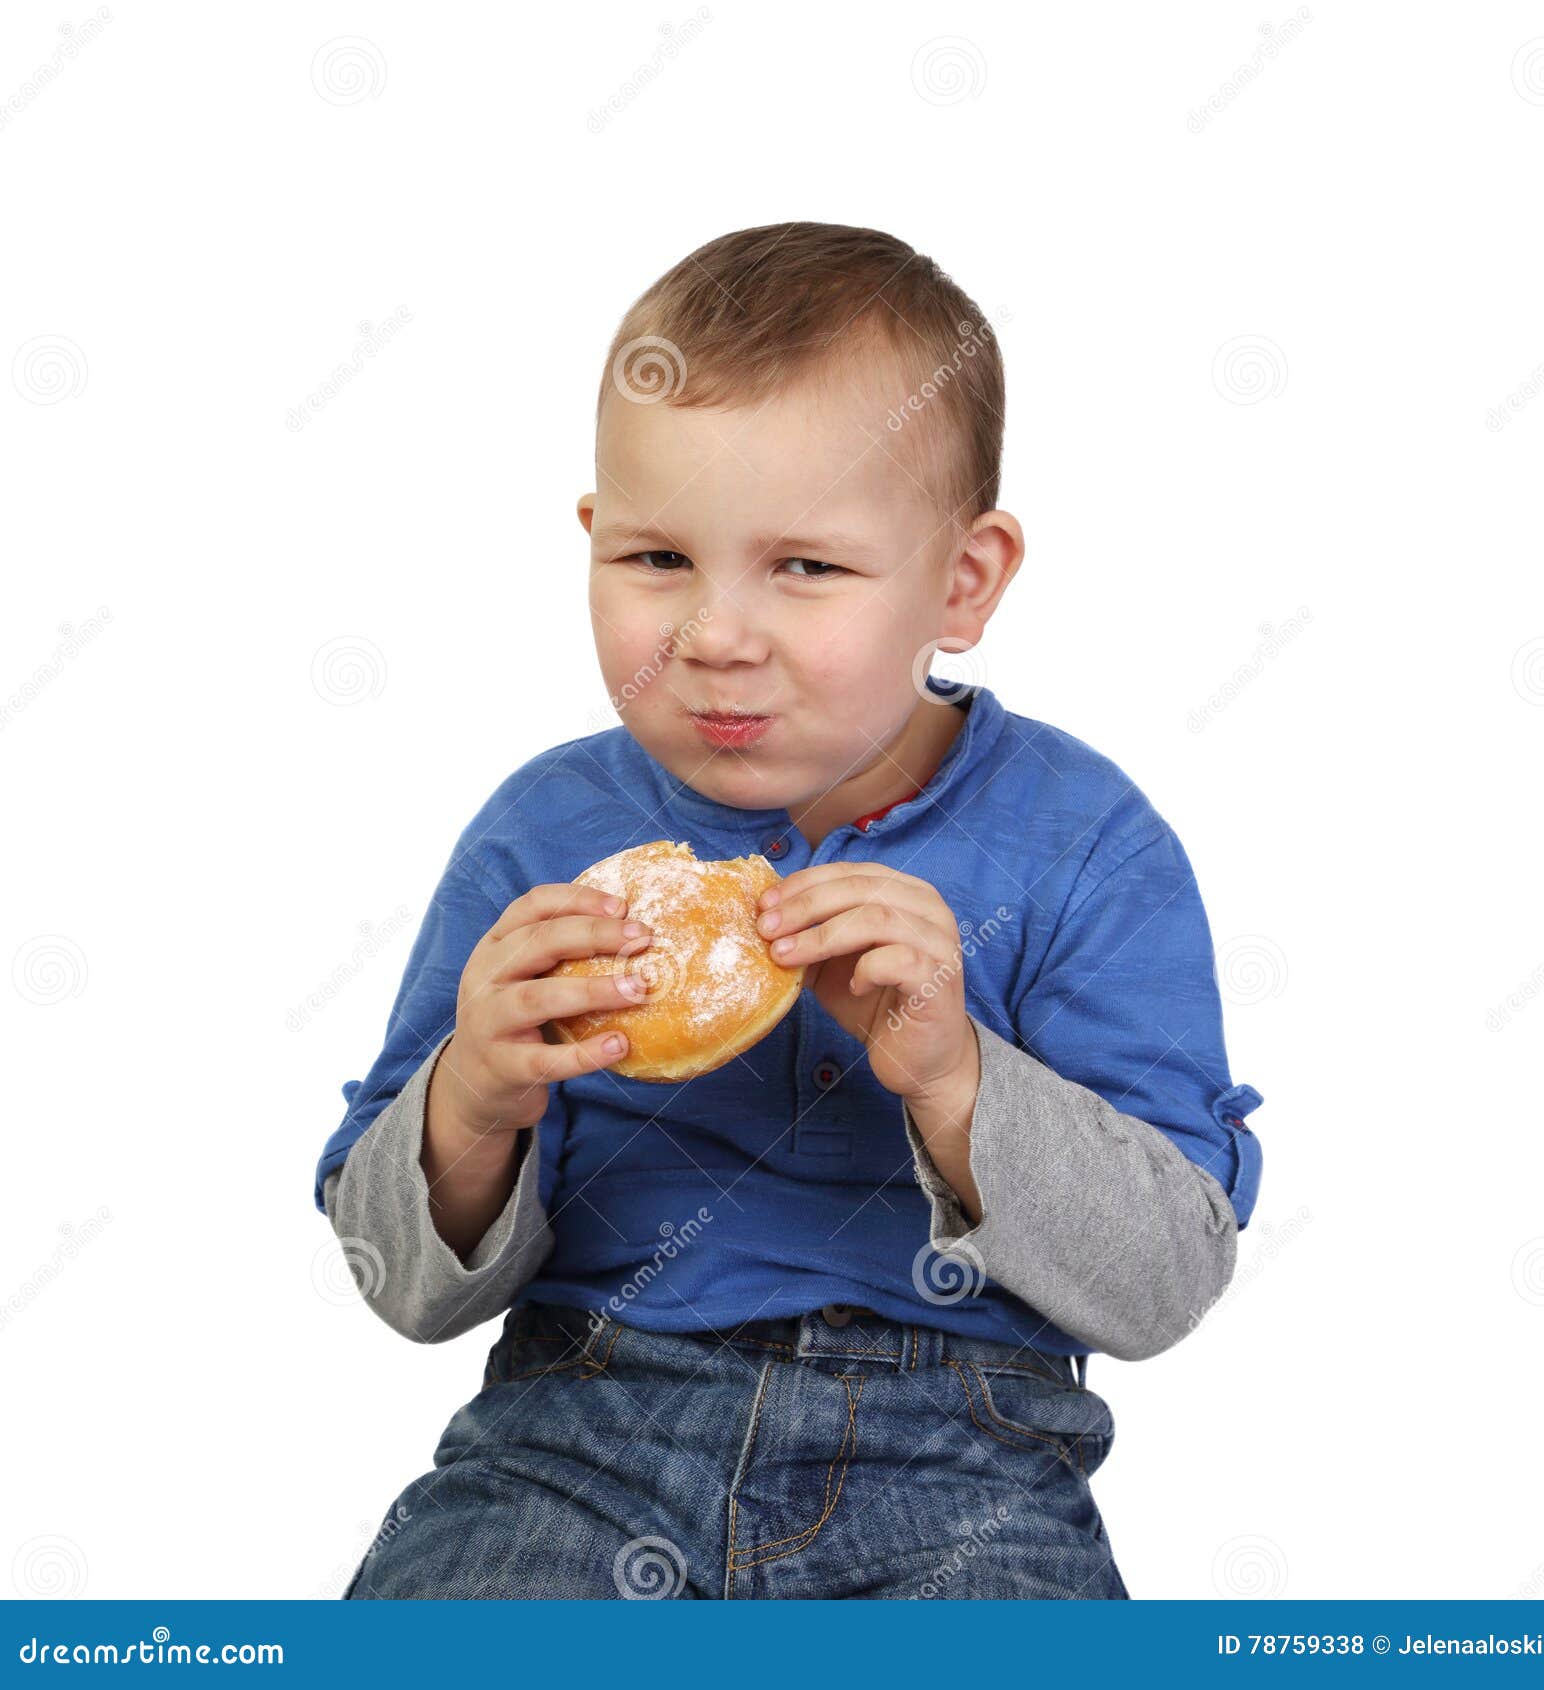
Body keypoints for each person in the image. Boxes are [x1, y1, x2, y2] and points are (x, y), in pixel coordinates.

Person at [314, 222, 1265, 1600]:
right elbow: (399, 1281)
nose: (714, 633)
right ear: (591, 542)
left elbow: (1166, 1278)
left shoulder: (1084, 845)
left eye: (805, 568)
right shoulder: (544, 839)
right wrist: (473, 1097)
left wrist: (954, 1076)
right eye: (656, 560)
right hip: (580, 1432)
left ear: (962, 580)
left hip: (965, 1461)